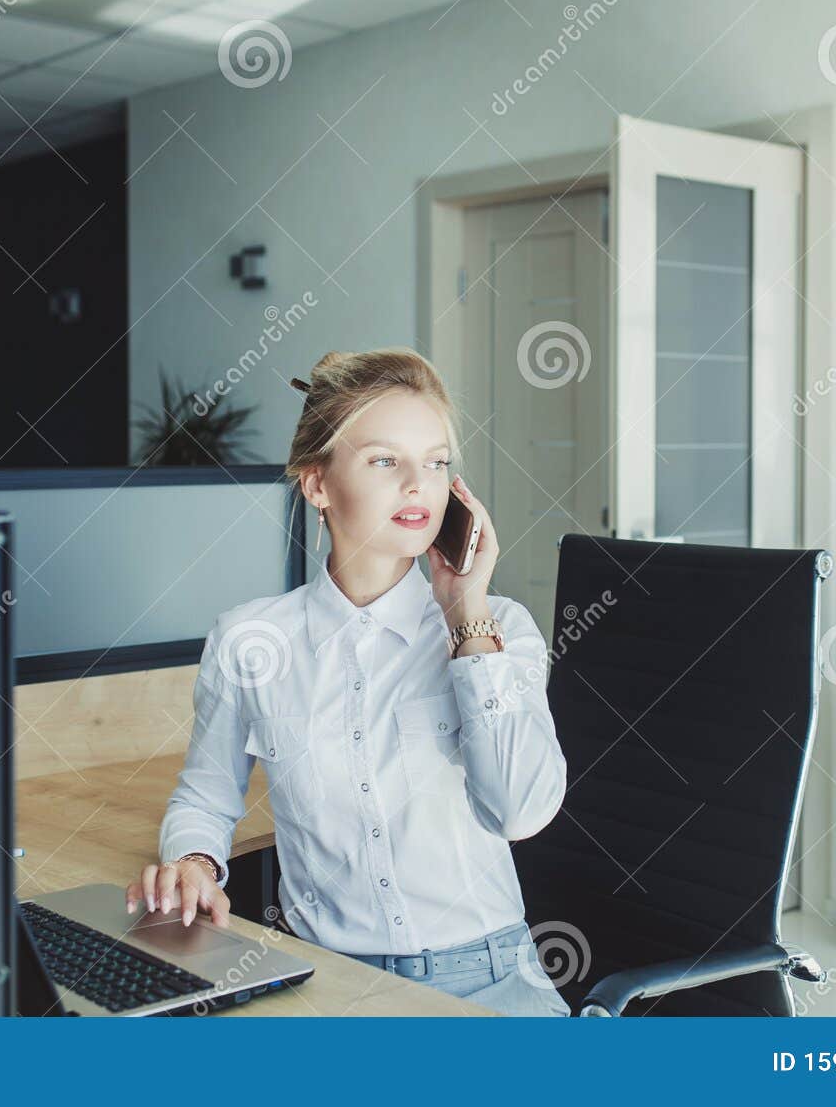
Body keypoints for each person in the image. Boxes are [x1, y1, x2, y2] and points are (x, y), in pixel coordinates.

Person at [130, 347, 570, 1016]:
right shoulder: (250, 640)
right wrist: (194, 860)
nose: (418, 484)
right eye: (385, 460)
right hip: (331, 989)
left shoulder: (499, 626)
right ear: (317, 485)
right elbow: (205, 796)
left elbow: (520, 810)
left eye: (436, 461)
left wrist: (467, 616)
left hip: (491, 982)